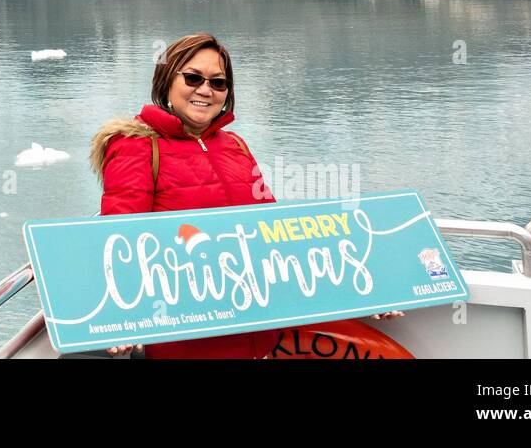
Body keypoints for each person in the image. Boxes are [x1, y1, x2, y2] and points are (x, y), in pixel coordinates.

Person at [89, 32, 398, 359]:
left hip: (256, 342)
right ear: (167, 80)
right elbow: (118, 242)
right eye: (193, 78)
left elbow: (277, 239)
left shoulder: (234, 146)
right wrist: (117, 322)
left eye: (218, 83)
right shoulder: (136, 147)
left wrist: (364, 293)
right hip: (188, 346)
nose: (205, 90)